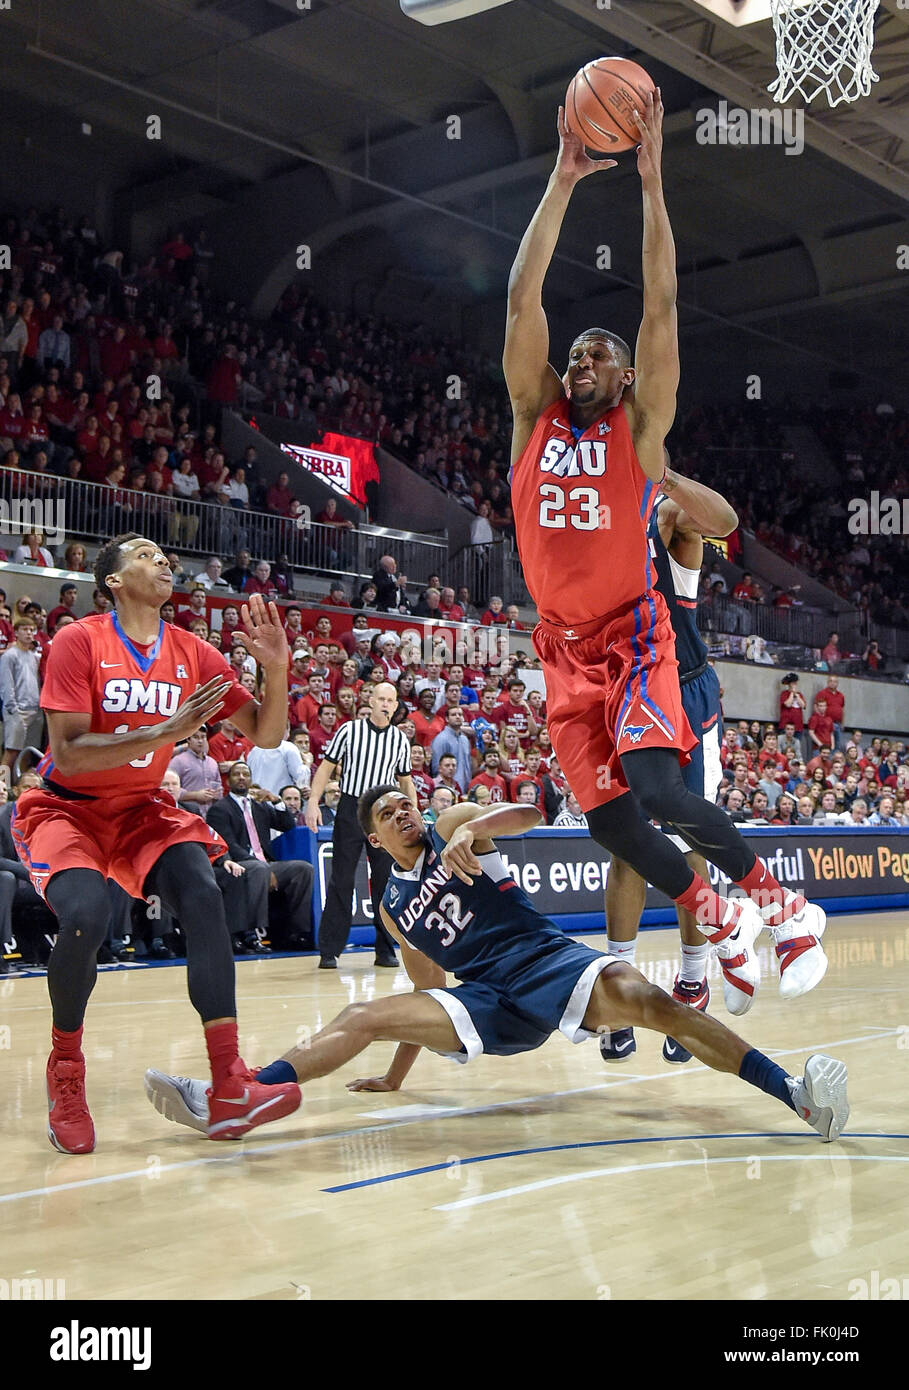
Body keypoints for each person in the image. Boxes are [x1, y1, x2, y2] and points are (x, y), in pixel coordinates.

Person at [502, 93, 826, 1017]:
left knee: (654, 785)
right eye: (575, 356)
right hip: (560, 650)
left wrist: (649, 184)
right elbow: (523, 295)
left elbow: (661, 299)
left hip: (633, 634)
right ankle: (713, 915)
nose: (581, 363)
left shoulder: (642, 437)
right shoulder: (532, 419)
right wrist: (562, 180)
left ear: (630, 378)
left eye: (600, 357)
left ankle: (783, 906)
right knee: (607, 821)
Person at [146, 790, 849, 1146]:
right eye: (390, 814)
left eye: (406, 803)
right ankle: (237, 1101)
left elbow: (530, 811)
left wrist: (479, 830)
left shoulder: (453, 825)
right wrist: (393, 1077)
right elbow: (427, 993)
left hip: (547, 961)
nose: (405, 814)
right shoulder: (393, 907)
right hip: (486, 1001)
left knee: (660, 1004)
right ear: (373, 837)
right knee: (361, 1013)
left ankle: (794, 1093)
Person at [11, 533, 301, 1152]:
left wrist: (276, 668)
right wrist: (166, 728)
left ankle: (229, 1083)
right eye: (143, 555)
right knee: (86, 916)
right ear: (112, 580)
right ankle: (66, 1070)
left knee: (202, 892)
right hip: (70, 809)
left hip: (143, 810)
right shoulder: (78, 640)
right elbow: (67, 751)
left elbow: (268, 734)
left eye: (164, 556)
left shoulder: (192, 651)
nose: (162, 561)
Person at [304, 681, 416, 969]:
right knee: (341, 878)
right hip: (351, 807)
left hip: (384, 812)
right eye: (381, 698)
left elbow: (405, 781)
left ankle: (385, 948)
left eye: (391, 700)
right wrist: (313, 801)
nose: (386, 704)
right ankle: (330, 949)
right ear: (370, 700)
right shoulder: (349, 730)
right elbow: (327, 766)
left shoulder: (400, 740)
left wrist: (413, 813)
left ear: (396, 705)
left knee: (384, 880)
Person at [207, 762, 314, 951]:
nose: (241, 777)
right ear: (228, 780)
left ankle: (297, 933)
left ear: (251, 779)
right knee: (260, 869)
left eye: (245, 774)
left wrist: (276, 801)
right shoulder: (220, 809)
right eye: (236, 774)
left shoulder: (260, 806)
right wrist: (261, 865)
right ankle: (253, 933)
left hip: (265, 864)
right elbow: (229, 844)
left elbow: (287, 824)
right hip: (237, 864)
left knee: (303, 869)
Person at [0, 615, 43, 771]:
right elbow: (6, 684)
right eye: (25, 629)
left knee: (28, 754)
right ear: (16, 632)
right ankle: (2, 785)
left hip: (34, 709)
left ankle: (21, 788)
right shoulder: (10, 656)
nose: (29, 633)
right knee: (11, 751)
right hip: (18, 710)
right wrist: (12, 708)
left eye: (32, 630)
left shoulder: (33, 656)